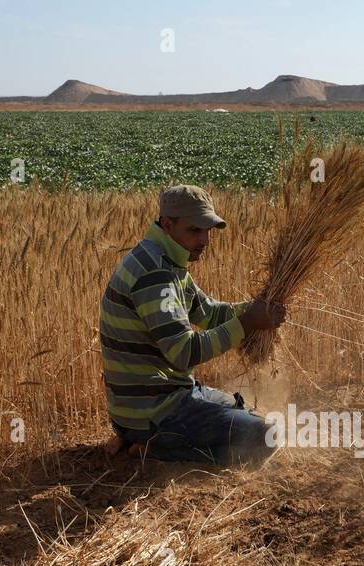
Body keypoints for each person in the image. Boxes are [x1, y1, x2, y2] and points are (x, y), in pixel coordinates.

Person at [100, 184, 286, 465]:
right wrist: (248, 322)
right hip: (156, 411)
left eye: (208, 230)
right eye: (195, 230)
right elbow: (184, 352)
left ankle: (140, 437)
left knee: (244, 410)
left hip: (159, 400)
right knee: (265, 436)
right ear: (167, 224)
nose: (205, 240)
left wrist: (257, 309)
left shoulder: (166, 260)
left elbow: (208, 312)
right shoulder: (155, 274)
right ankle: (155, 448)